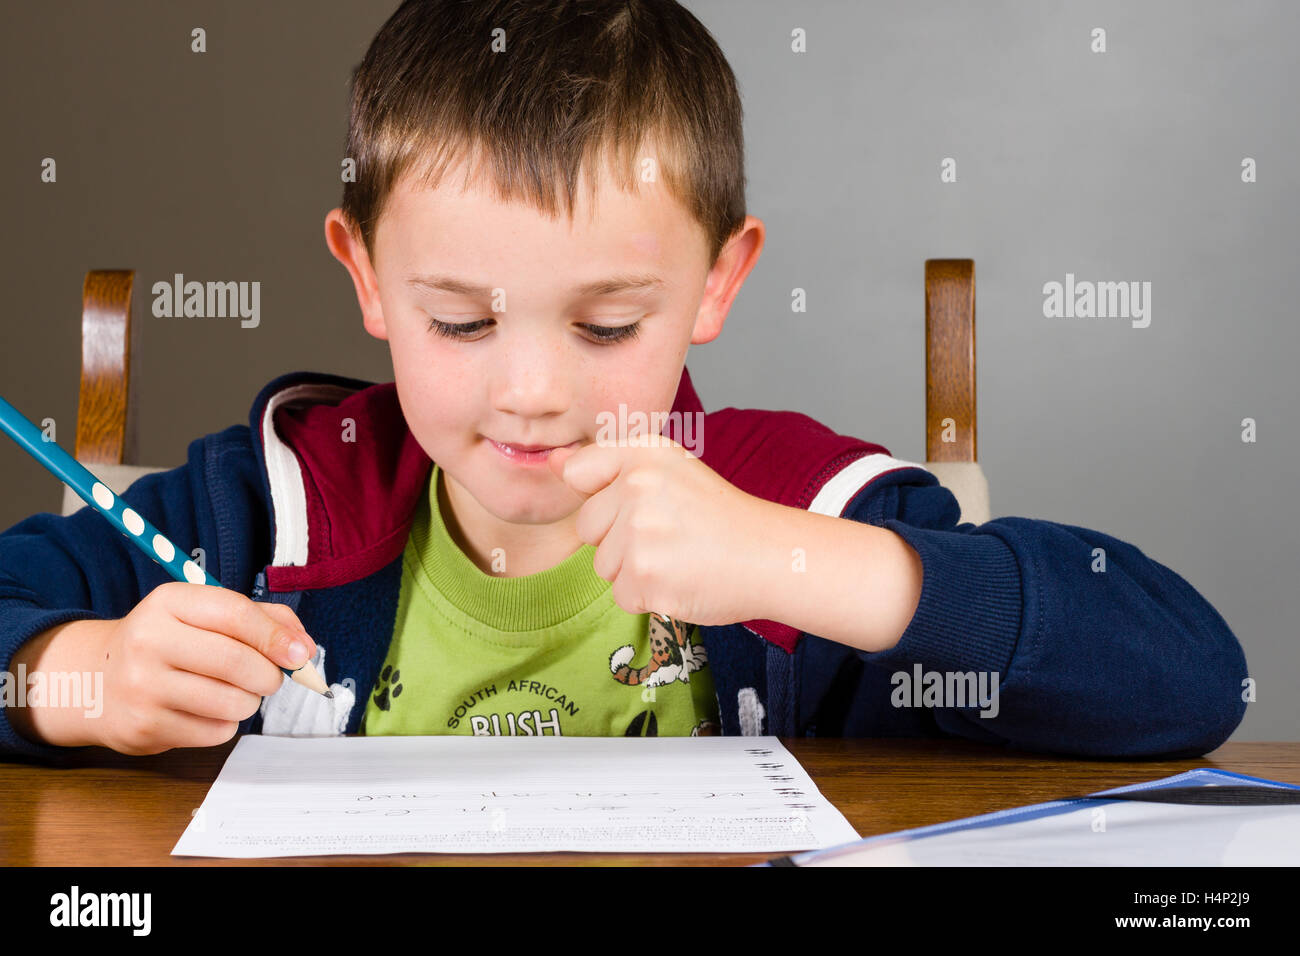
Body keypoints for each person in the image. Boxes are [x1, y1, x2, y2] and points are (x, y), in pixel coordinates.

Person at [0, 0, 1247, 763]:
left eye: (604, 324)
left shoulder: (795, 504)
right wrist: (78, 677)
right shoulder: (255, 510)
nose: (533, 390)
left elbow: (1191, 673)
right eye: (459, 319)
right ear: (367, 278)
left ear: (718, 279)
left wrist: (803, 564)